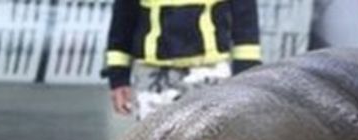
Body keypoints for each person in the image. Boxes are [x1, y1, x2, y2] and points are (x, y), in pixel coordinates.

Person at [102, 0, 262, 120]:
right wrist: (118, 78)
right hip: (153, 79)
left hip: (209, 74)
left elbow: (245, 22)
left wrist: (247, 79)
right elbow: (122, 22)